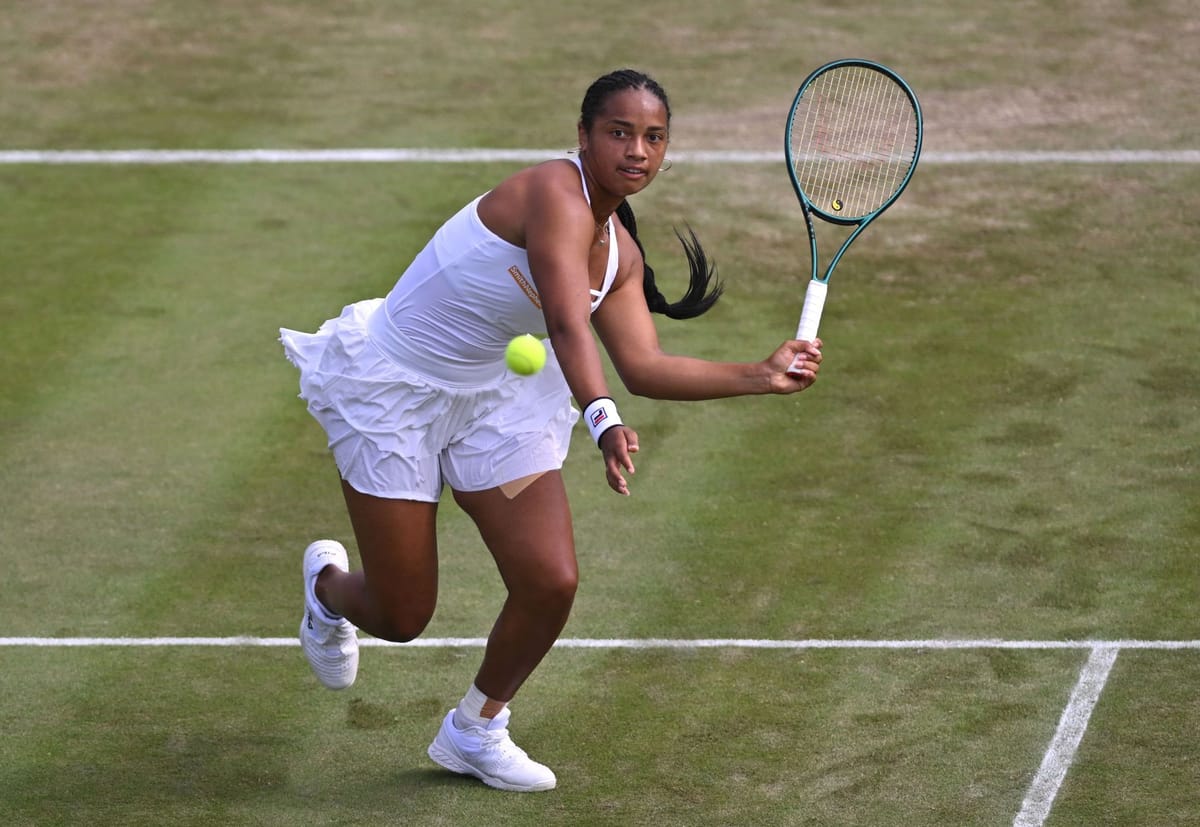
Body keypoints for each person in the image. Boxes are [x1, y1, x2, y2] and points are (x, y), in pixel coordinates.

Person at [279, 68, 823, 793]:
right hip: (394, 391)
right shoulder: (552, 195)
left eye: (654, 137)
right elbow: (567, 323)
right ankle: (327, 588)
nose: (637, 150)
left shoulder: (621, 257)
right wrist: (603, 421)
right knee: (402, 613)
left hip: (495, 399)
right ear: (583, 137)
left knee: (550, 579)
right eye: (619, 132)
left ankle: (474, 729)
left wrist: (761, 373)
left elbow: (644, 365)